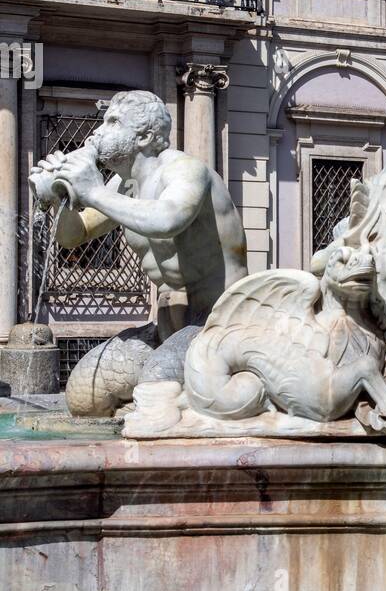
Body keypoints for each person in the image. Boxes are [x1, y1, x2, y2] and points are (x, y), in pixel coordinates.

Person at [30, 89, 247, 414]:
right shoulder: (122, 185)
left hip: (216, 324)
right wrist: (56, 199)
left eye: (113, 121)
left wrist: (91, 190)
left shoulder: (185, 171)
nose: (99, 130)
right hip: (164, 327)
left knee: (154, 389)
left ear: (145, 135)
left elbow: (168, 219)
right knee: (84, 394)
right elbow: (74, 237)